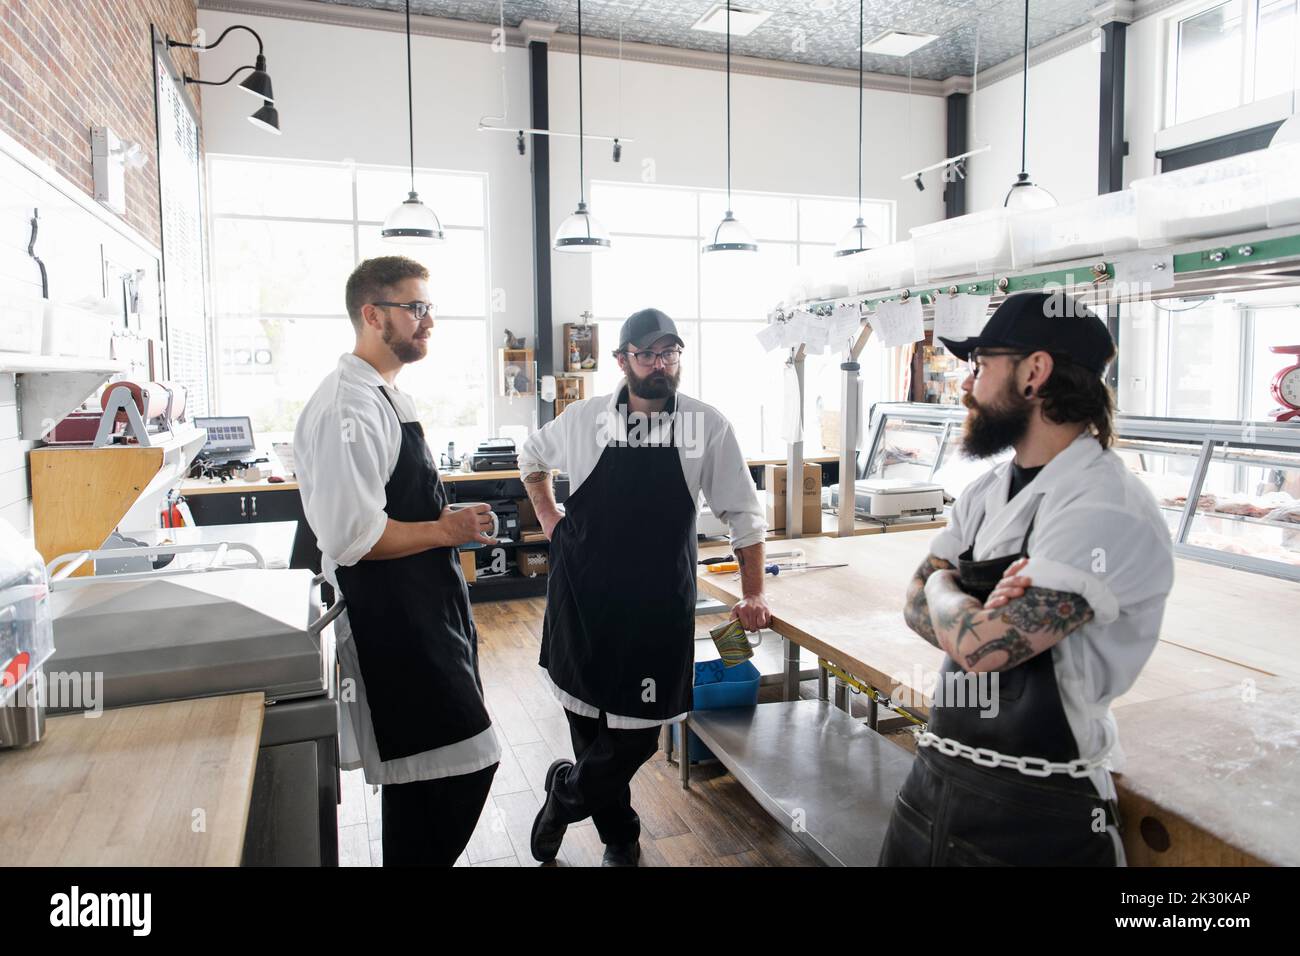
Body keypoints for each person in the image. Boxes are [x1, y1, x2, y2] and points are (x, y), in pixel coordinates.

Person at [879, 291, 1174, 866]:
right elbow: (914, 601)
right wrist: (950, 593)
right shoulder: (987, 493)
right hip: (935, 778)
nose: (967, 386)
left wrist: (948, 586)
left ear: (1034, 373)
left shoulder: (1103, 504)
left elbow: (986, 648)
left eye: (981, 365)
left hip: (1038, 813)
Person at [520, 307, 771, 867]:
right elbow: (531, 456)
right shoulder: (584, 419)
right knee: (587, 724)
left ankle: (563, 797)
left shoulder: (706, 426)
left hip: (656, 606)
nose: (660, 365)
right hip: (581, 597)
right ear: (622, 360)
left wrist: (753, 592)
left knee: (636, 734)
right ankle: (621, 837)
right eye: (648, 354)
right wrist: (549, 518)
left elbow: (745, 515)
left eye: (670, 354)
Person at [295, 256, 500, 866]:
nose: (428, 321)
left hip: (426, 609)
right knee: (461, 766)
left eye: (429, 307)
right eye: (415, 308)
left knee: (428, 776)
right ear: (371, 314)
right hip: (392, 624)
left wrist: (448, 525)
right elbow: (353, 537)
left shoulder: (383, 393)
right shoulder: (345, 409)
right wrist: (445, 529)